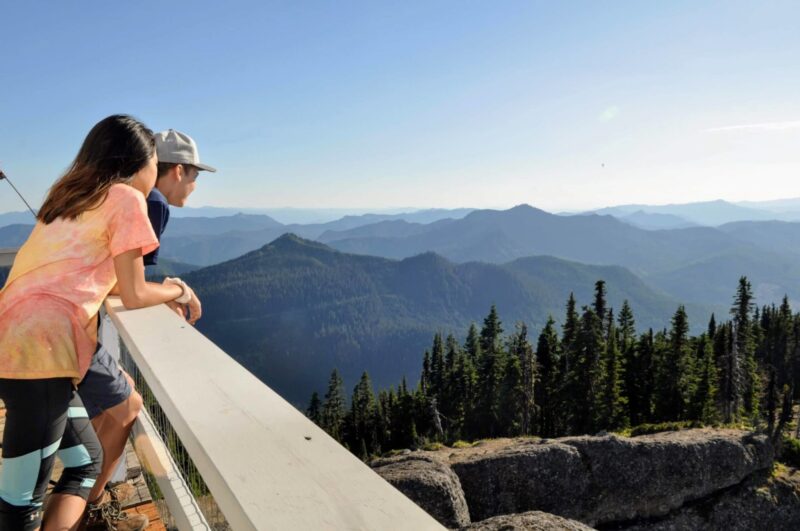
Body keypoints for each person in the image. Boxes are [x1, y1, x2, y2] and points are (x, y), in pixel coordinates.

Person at [0, 115, 190, 531]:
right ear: (137, 163)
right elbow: (136, 292)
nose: (154, 173)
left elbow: (111, 284)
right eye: (154, 162)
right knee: (18, 506)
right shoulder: (127, 199)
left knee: (86, 465)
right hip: (41, 354)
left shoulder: (68, 197)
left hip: (20, 344)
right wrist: (178, 290)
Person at [75, 129, 212, 528]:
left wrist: (161, 291)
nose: (194, 185)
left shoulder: (118, 195)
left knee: (112, 409)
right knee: (124, 406)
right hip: (73, 328)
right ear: (178, 170)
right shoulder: (152, 203)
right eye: (194, 176)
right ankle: (90, 505)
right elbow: (127, 285)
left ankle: (85, 497)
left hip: (60, 324)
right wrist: (177, 290)